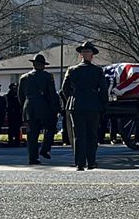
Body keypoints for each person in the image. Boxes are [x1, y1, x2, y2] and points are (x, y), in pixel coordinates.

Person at [61, 41, 108, 170]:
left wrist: (72, 98)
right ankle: (91, 161)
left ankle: (80, 163)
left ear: (81, 55)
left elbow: (64, 89)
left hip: (76, 105)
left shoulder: (71, 70)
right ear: (92, 55)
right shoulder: (97, 71)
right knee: (92, 134)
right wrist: (104, 104)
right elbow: (103, 89)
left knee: (79, 135)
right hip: (93, 105)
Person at [18, 53, 59, 165]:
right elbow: (51, 94)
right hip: (44, 106)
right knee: (50, 128)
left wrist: (25, 107)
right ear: (42, 65)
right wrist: (56, 107)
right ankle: (45, 149)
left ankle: (33, 158)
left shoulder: (24, 78)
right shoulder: (47, 77)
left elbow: (20, 96)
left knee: (32, 135)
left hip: (29, 107)